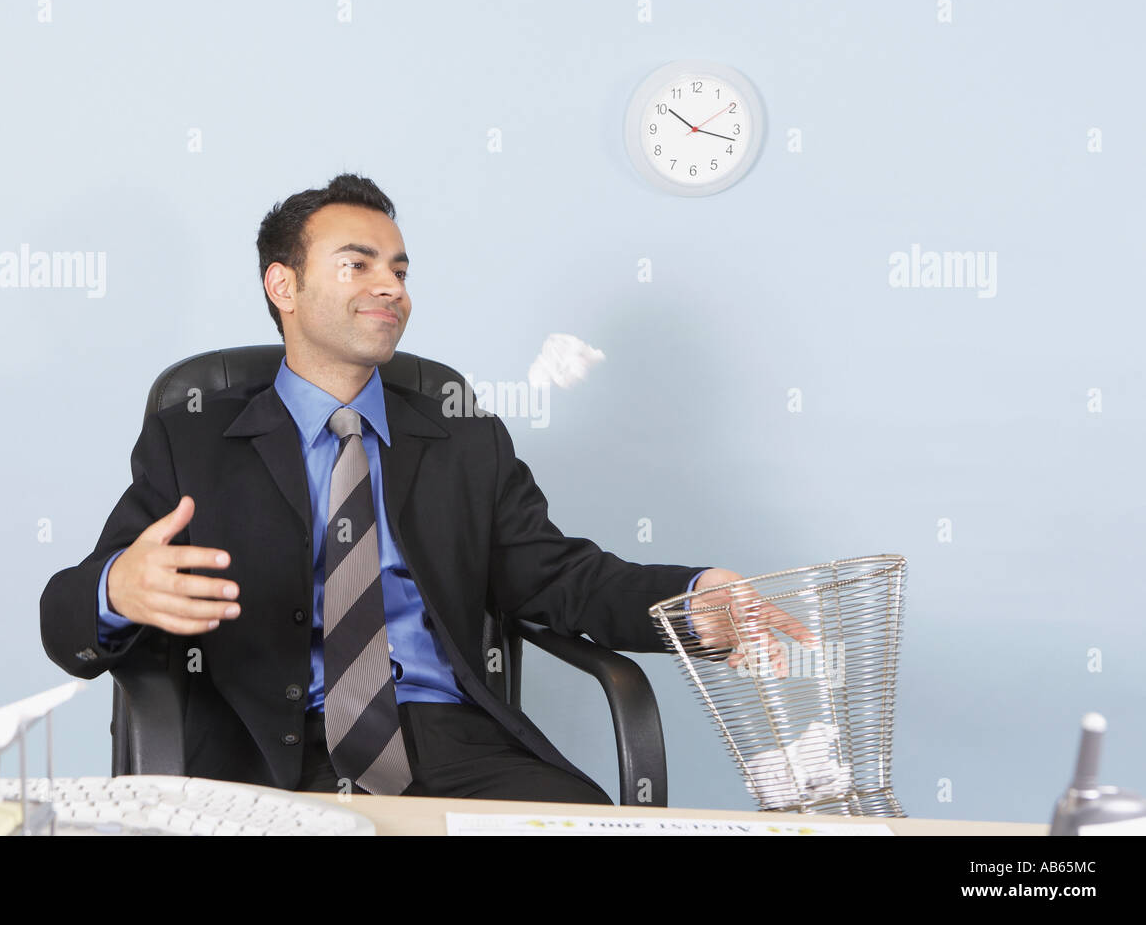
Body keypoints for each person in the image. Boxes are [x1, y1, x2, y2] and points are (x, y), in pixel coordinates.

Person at [39, 173, 815, 804]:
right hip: (270, 754)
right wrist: (115, 589)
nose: (392, 288)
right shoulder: (195, 439)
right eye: (359, 264)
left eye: (400, 269)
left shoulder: (462, 437)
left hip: (460, 742)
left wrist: (691, 601)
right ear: (284, 284)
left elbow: (562, 577)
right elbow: (64, 617)